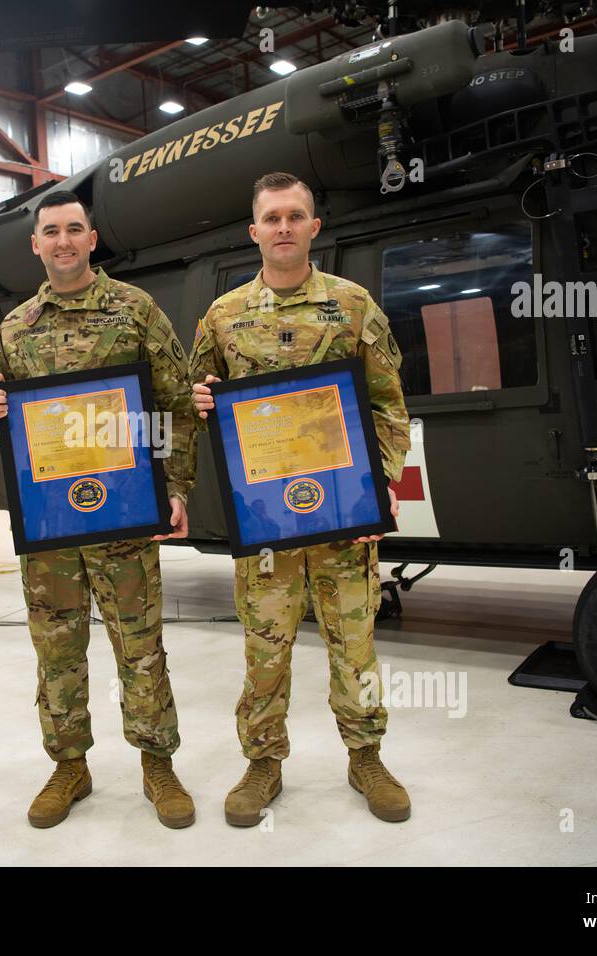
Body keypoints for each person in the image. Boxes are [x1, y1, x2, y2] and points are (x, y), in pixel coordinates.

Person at [187, 171, 413, 826]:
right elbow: (197, 396)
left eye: (296, 215)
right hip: (265, 517)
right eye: (272, 217)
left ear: (314, 227)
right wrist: (202, 402)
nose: (283, 227)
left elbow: (388, 405)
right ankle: (263, 762)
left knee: (356, 641)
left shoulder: (352, 305)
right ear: (253, 231)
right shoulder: (223, 317)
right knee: (266, 645)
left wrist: (383, 485)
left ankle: (366, 754)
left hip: (344, 508)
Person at [0, 191, 198, 829]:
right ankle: (69, 763)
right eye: (52, 232)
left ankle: (158, 763)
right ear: (37, 245)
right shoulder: (15, 327)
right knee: (56, 646)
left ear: (92, 238)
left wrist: (173, 487)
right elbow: (7, 423)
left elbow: (175, 404)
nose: (64, 241)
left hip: (125, 514)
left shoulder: (135, 311)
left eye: (75, 229)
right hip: (53, 521)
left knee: (141, 645)